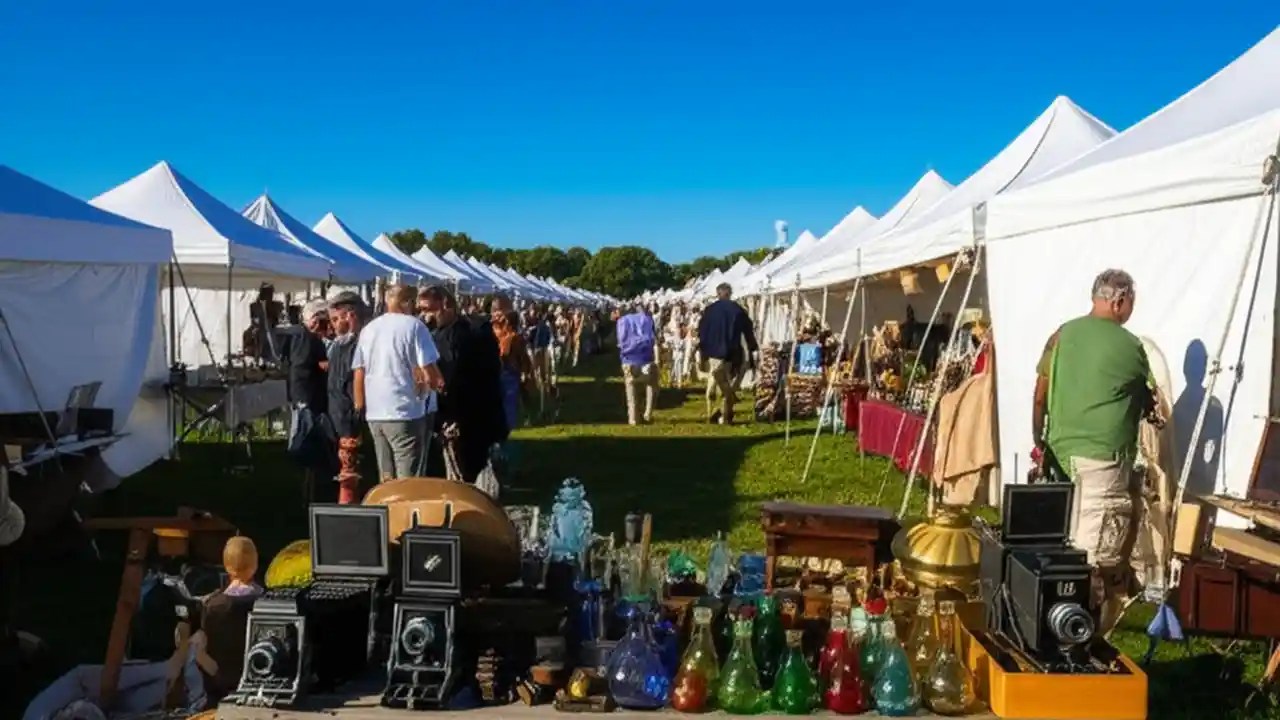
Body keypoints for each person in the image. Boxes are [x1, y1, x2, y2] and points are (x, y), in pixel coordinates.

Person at [1033, 268, 1161, 633]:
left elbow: (1039, 394)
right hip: (1101, 467)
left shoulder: (1060, 335)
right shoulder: (1130, 346)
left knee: (1061, 552)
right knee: (1094, 567)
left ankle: (1051, 636)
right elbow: (1153, 402)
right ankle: (1078, 651)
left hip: (1060, 459)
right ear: (1119, 300)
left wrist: (1040, 442)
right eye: (1131, 302)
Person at [353, 284, 443, 481]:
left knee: (386, 476)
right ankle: (403, 511)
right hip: (405, 409)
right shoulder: (414, 326)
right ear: (408, 303)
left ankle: (387, 509)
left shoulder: (369, 329)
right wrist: (437, 384)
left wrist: (359, 405)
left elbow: (359, 370)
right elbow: (428, 367)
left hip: (376, 412)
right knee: (408, 479)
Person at [419, 285, 508, 483]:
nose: (425, 317)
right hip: (461, 412)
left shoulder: (469, 333)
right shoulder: (437, 334)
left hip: (470, 413)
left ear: (444, 304)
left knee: (466, 474)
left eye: (428, 310)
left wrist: (451, 414)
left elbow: (460, 376)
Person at [326, 291, 368, 504]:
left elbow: (352, 381)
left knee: (352, 471)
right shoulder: (338, 344)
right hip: (338, 413)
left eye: (336, 319)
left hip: (350, 414)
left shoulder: (359, 343)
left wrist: (354, 413)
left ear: (349, 316)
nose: (333, 325)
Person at [698, 283, 758, 424]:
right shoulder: (738, 310)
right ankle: (726, 414)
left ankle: (718, 412)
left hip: (714, 353)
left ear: (717, 294)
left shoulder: (709, 311)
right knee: (726, 383)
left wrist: (703, 351)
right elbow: (748, 330)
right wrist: (752, 347)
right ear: (730, 293)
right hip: (732, 353)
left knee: (719, 383)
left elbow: (702, 331)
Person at [616, 303, 657, 425]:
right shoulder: (647, 319)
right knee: (651, 384)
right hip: (646, 356)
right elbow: (653, 337)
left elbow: (621, 339)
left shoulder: (622, 321)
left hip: (628, 357)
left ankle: (633, 418)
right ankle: (648, 413)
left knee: (631, 387)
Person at [493, 310, 534, 431]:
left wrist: (524, 371)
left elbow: (515, 356)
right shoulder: (510, 337)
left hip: (510, 370)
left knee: (511, 400)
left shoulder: (513, 338)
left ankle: (510, 424)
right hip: (510, 370)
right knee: (512, 399)